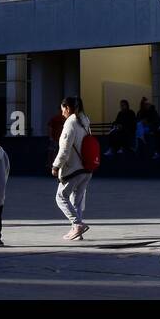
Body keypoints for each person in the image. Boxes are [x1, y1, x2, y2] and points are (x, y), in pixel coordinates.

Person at [52, 96, 92, 241]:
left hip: (73, 169)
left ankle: (77, 225)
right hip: (87, 168)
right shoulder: (85, 121)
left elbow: (64, 150)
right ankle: (78, 233)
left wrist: (56, 166)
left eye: (63, 109)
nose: (62, 113)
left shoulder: (70, 124)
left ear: (68, 108)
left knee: (60, 197)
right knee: (77, 200)